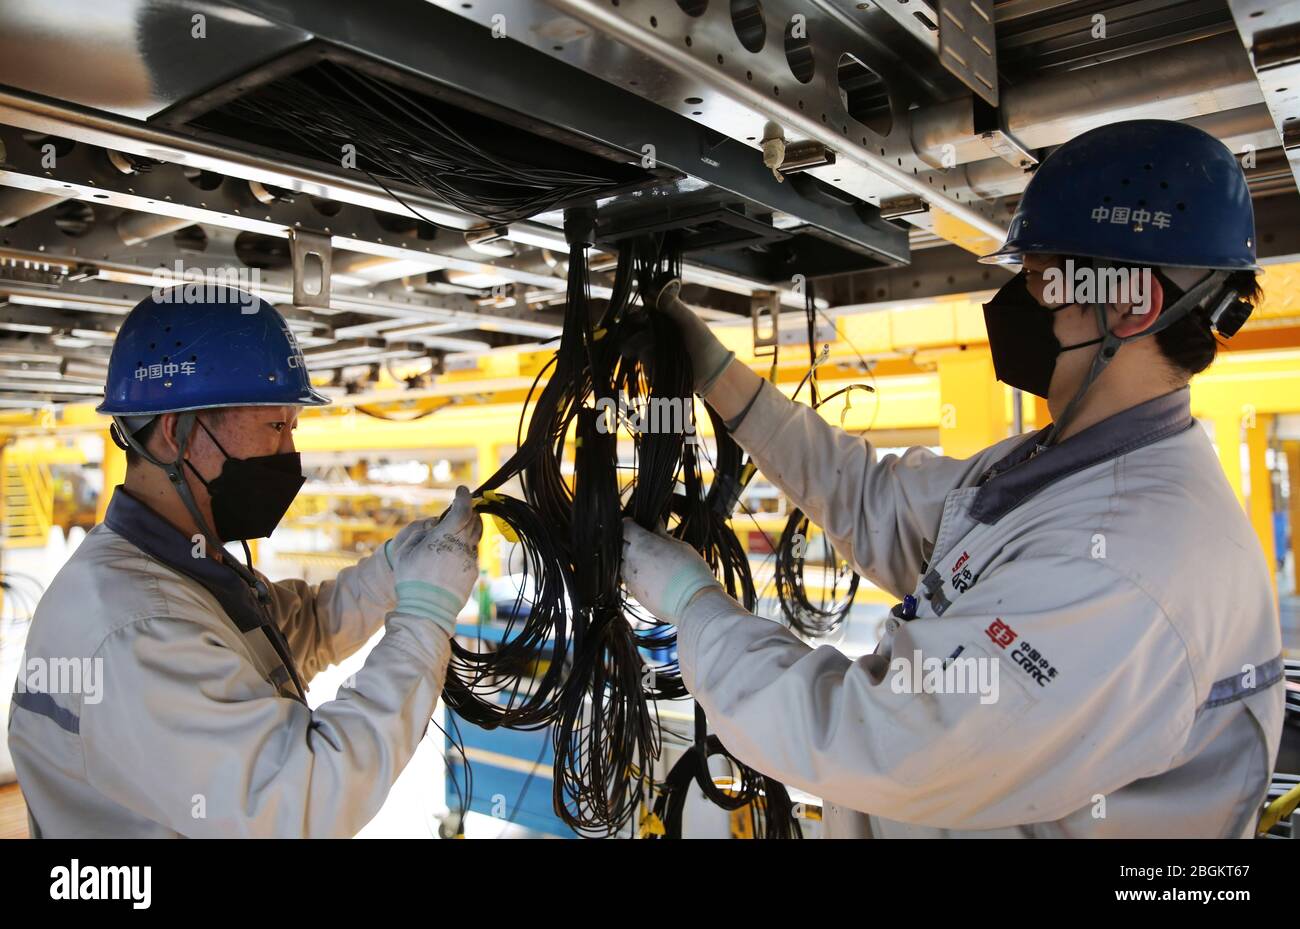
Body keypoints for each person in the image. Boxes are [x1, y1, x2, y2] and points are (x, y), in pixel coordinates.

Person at [622, 119, 1285, 837]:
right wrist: (719, 378)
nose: (1020, 309)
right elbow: (874, 502)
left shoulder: (1135, 561)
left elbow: (875, 740)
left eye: (1039, 284)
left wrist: (694, 607)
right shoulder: (1065, 466)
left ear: (1130, 304)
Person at [8, 288, 482, 837]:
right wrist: (424, 619)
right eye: (274, 427)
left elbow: (293, 632)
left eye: (292, 428)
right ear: (176, 433)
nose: (289, 457)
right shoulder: (139, 630)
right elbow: (305, 796)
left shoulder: (177, 567)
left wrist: (391, 574)